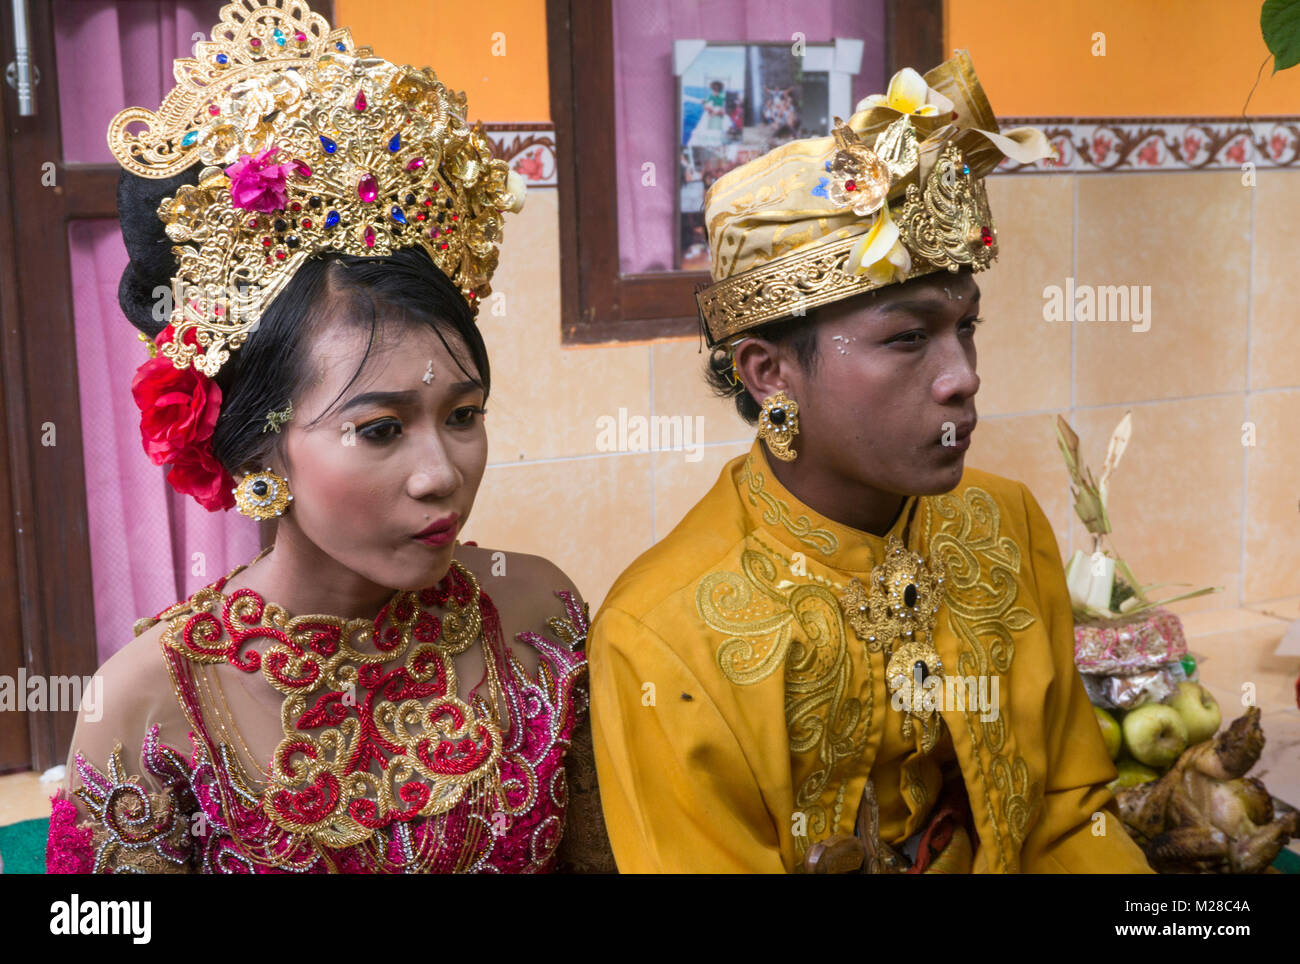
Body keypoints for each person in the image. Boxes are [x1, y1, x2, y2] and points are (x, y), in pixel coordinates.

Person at [46, 0, 613, 874]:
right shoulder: (145, 699)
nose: (441, 475)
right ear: (259, 447)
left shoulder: (539, 618)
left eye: (463, 416)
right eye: (380, 429)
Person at [588, 52, 1154, 874]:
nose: (963, 376)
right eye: (908, 337)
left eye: (967, 327)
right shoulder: (661, 632)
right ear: (769, 372)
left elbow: (1071, 819)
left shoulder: (1005, 523)